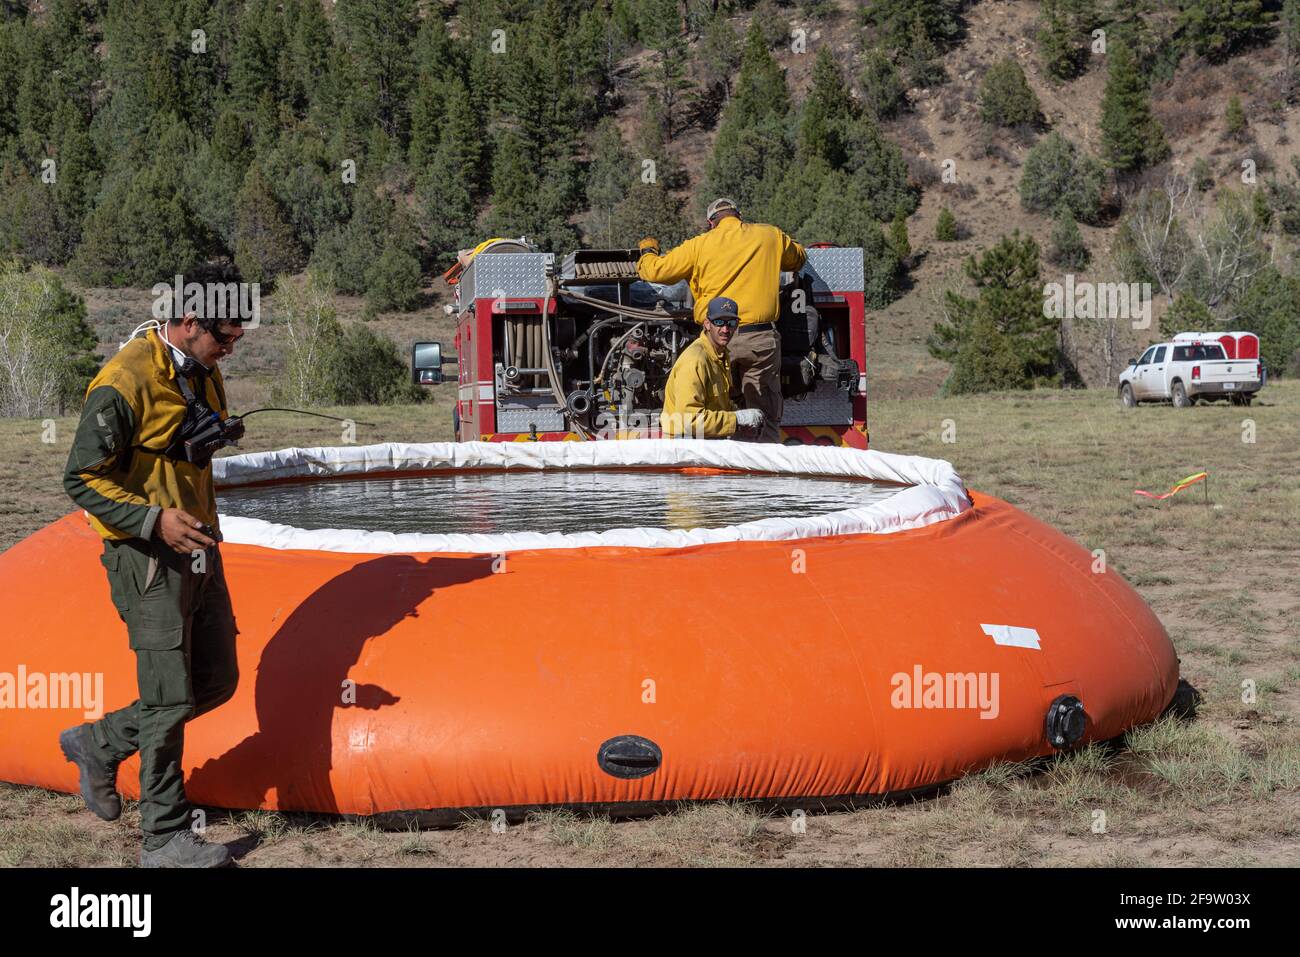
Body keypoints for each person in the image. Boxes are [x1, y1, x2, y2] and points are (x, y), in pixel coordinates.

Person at [59, 309, 245, 868]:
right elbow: (80, 476)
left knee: (217, 679)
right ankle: (163, 839)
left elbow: (176, 451)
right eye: (223, 338)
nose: (229, 350)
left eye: (238, 339)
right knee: (168, 700)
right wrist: (151, 521)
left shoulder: (203, 371)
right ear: (190, 320)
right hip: (146, 556)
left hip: (198, 546)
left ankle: (100, 743)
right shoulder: (123, 380)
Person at [638, 197, 806, 443]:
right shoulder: (770, 235)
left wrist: (648, 250)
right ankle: (766, 468)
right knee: (765, 413)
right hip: (760, 341)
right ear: (739, 216)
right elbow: (799, 258)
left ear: (711, 223)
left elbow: (655, 272)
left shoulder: (699, 245)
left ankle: (725, 465)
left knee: (717, 405)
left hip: (717, 342)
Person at [660, 297, 764, 439]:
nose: (725, 329)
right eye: (719, 322)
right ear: (707, 324)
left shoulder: (720, 355)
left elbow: (719, 404)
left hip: (705, 441)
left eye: (731, 323)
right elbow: (690, 420)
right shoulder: (695, 360)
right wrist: (736, 419)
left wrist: (742, 417)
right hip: (685, 447)